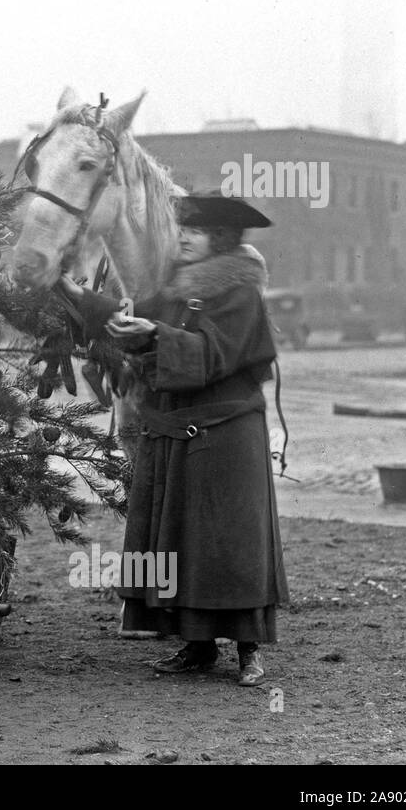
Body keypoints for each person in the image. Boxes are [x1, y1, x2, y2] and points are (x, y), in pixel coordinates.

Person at [56, 192, 288, 687]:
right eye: (182, 229)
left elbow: (214, 354)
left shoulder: (241, 292)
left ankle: (248, 652)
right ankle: (196, 647)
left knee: (231, 543)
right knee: (181, 540)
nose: (183, 236)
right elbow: (131, 318)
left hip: (228, 438)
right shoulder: (175, 286)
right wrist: (79, 298)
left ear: (221, 239)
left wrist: (157, 334)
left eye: (196, 231)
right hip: (180, 433)